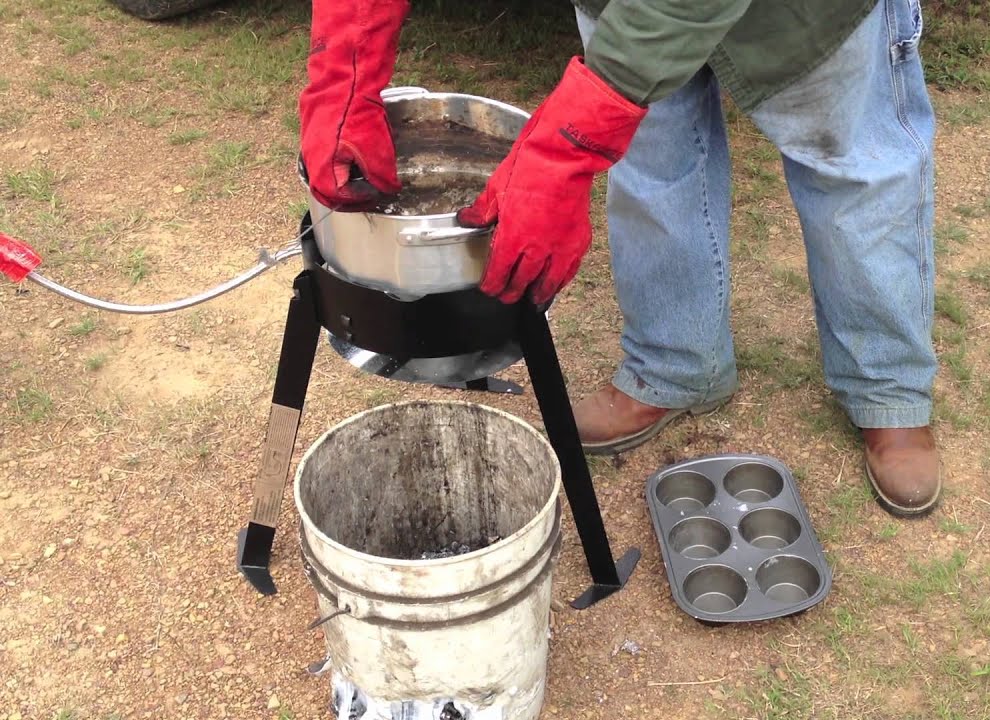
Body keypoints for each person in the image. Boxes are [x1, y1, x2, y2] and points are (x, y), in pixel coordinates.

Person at [297, 0, 943, 517]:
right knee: (652, 157)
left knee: (855, 169)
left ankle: (888, 389)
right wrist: (346, 66)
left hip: (806, 19)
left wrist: (565, 148)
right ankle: (675, 363)